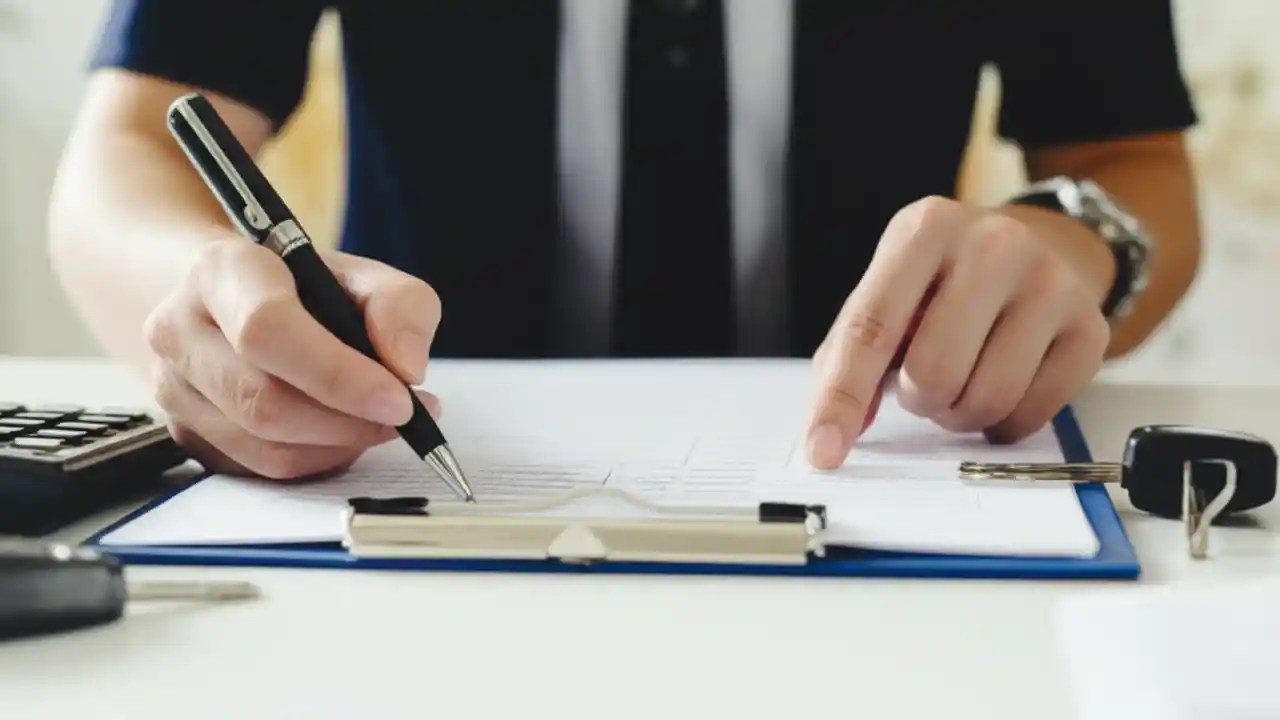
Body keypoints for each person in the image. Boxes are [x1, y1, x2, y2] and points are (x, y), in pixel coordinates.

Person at [48, 1, 1201, 480]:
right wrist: (207, 307)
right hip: (406, 468)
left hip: (891, 474)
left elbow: (1131, 164)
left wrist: (1072, 246)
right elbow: (134, 144)